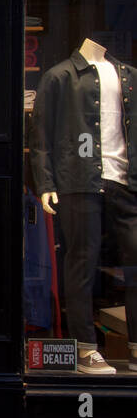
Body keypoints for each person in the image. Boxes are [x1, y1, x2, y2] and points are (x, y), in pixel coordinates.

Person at [32, 36, 137, 375]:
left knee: (134, 263)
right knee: (82, 264)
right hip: (78, 181)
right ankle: (85, 348)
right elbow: (42, 136)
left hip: (125, 181)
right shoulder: (60, 76)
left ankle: (134, 345)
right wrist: (45, 183)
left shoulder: (129, 75)